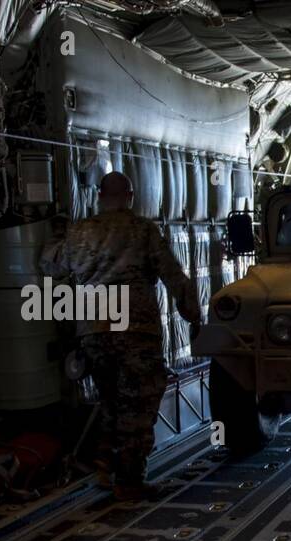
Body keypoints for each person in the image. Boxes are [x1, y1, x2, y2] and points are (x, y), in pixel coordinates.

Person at [41, 171, 201, 500]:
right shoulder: (142, 230)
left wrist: (56, 235)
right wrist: (194, 316)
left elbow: (50, 266)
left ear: (99, 196)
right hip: (134, 331)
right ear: (130, 196)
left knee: (111, 400)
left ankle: (105, 465)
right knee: (139, 405)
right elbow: (174, 275)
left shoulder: (79, 233)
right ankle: (129, 480)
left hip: (93, 331)